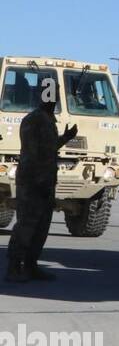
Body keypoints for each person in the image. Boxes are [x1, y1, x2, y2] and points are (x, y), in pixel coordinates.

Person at [5, 76, 77, 283]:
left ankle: (31, 266)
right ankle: (13, 268)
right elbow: (33, 153)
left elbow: (49, 149)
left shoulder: (48, 120)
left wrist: (66, 138)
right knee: (26, 226)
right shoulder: (34, 119)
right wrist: (39, 180)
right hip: (33, 182)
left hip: (45, 182)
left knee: (42, 227)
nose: (53, 100)